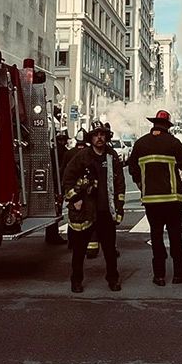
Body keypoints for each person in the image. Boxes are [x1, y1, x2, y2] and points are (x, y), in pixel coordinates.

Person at [126, 109, 182, 286]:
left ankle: (159, 276)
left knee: (156, 236)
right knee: (175, 236)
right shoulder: (173, 142)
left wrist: (141, 184)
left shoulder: (140, 143)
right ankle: (179, 274)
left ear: (154, 124)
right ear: (167, 126)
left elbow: (132, 168)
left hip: (151, 200)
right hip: (172, 199)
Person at [61, 122, 125, 293]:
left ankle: (113, 279)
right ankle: (76, 280)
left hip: (106, 211)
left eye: (102, 135)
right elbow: (67, 178)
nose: (99, 138)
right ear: (91, 138)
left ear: (106, 137)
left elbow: (119, 183)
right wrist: (74, 198)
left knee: (110, 250)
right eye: (96, 135)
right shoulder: (82, 156)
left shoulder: (111, 156)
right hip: (86, 212)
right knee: (79, 249)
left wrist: (119, 207)